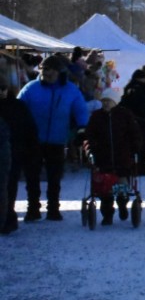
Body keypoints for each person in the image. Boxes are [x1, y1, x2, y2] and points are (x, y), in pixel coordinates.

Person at [17, 55, 90, 221]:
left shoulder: (70, 90)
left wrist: (82, 129)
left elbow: (80, 110)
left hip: (57, 140)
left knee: (54, 176)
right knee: (32, 175)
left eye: (49, 72)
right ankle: (33, 208)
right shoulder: (31, 88)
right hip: (33, 140)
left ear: (59, 72)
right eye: (43, 71)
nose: (45, 75)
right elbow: (18, 108)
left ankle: (53, 209)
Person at [85, 88, 142, 225]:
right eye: (103, 101)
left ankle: (122, 205)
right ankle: (107, 215)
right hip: (102, 159)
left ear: (115, 102)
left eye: (108, 101)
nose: (105, 104)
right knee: (105, 191)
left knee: (121, 187)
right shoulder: (96, 117)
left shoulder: (125, 115)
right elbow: (89, 136)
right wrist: (90, 150)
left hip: (122, 158)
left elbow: (135, 134)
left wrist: (135, 148)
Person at [0, 70, 38, 234]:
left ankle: (7, 218)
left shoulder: (17, 106)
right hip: (11, 151)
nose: (1, 91)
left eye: (2, 88)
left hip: (13, 153)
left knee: (8, 187)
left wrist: (30, 150)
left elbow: (29, 129)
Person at [120, 69, 145, 176]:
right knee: (140, 144)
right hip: (138, 120)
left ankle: (142, 164)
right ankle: (138, 166)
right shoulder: (133, 89)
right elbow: (130, 105)